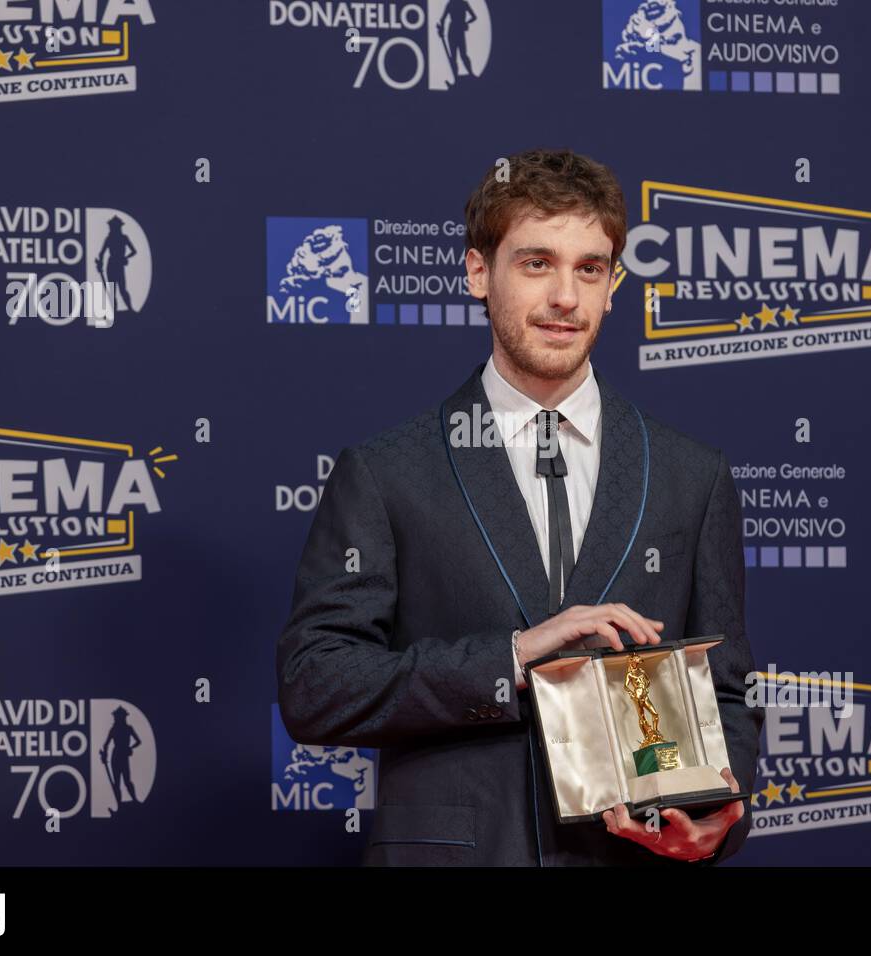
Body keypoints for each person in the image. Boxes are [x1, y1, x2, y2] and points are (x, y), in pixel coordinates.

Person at [277, 147, 761, 865]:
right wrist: (513, 657)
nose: (566, 297)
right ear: (479, 272)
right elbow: (315, 686)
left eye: (589, 269)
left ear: (612, 285)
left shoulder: (692, 475)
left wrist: (717, 814)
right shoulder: (386, 472)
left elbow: (727, 694)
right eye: (537, 263)